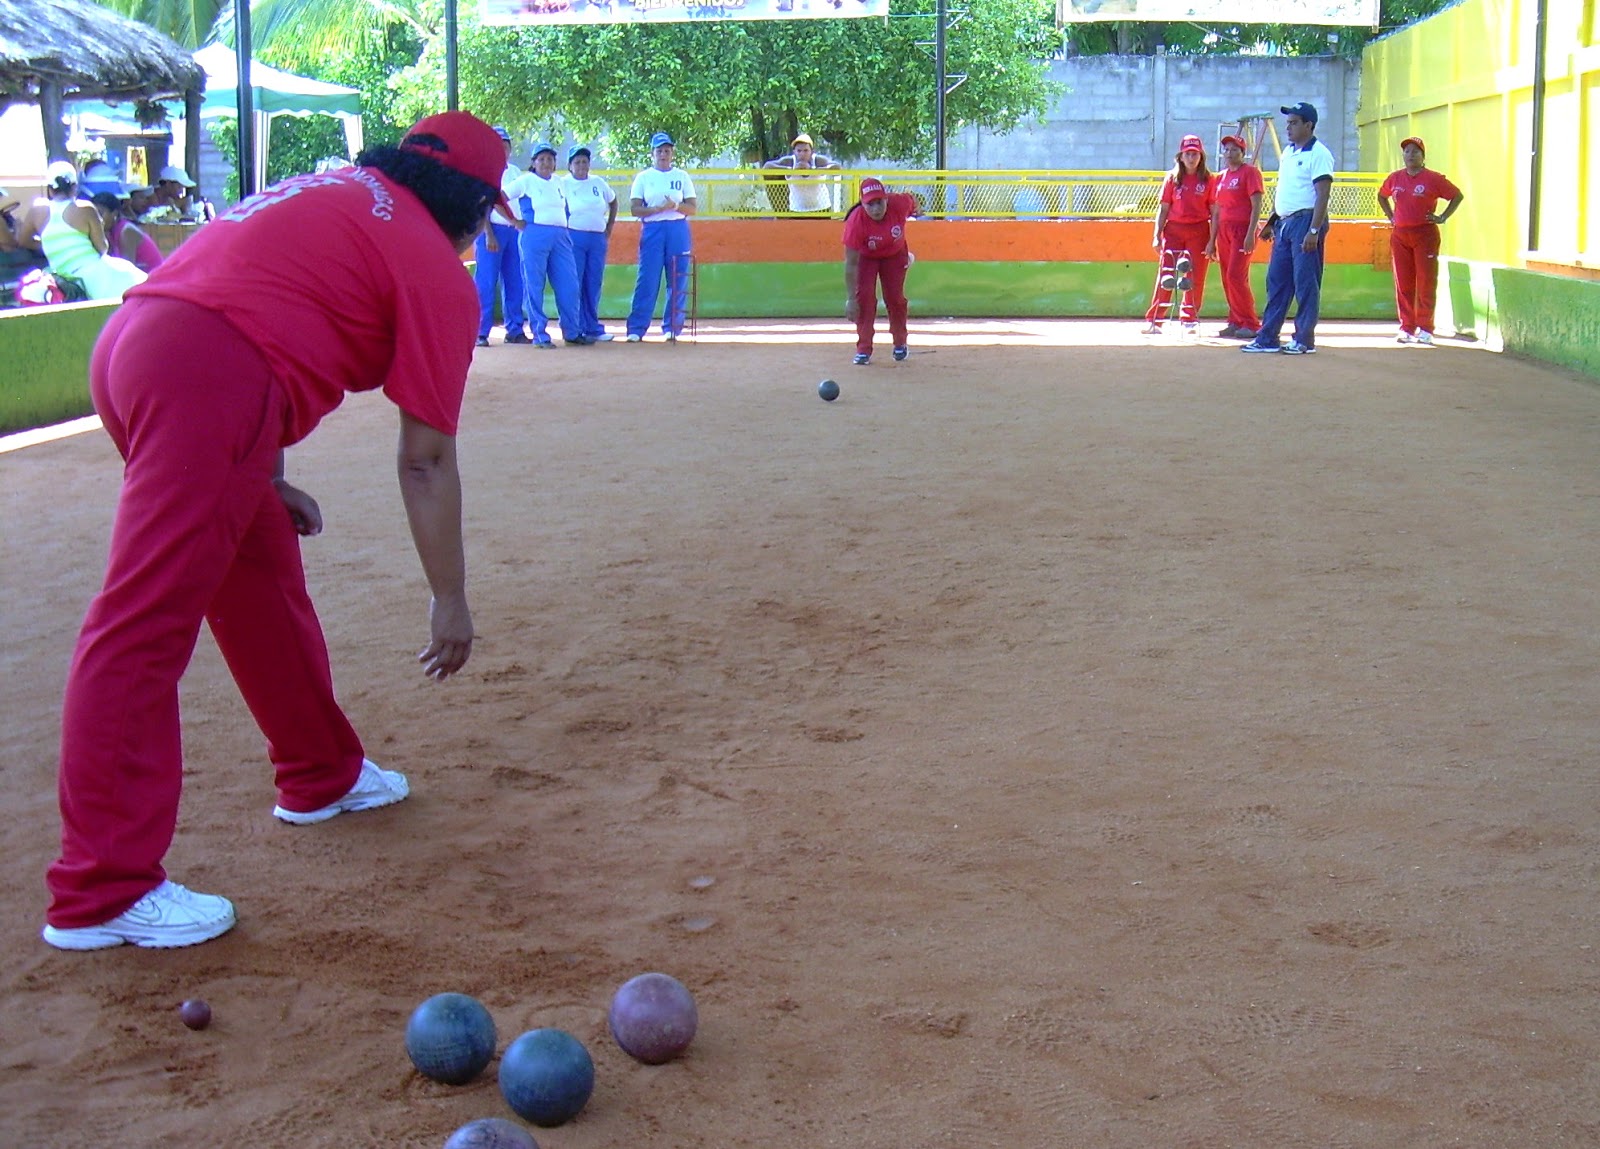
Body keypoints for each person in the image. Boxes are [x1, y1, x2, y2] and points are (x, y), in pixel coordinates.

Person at [40, 111, 502, 951]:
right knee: (142, 622)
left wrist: (268, 472)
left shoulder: (332, 188)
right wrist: (450, 598)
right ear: (473, 210)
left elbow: (254, 292)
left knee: (257, 574)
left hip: (142, 346)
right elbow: (425, 459)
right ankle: (101, 887)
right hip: (204, 378)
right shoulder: (437, 271)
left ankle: (322, 770)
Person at [1242, 102, 1335, 356]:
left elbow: (1322, 195)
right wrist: (1272, 222)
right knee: (1277, 282)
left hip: (1306, 223)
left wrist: (1314, 231)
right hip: (1284, 224)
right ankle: (1268, 337)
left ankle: (1304, 339)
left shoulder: (1319, 154)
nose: (1289, 128)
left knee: (1305, 283)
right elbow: (1288, 192)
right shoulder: (1288, 153)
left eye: (1294, 123)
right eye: (1288, 123)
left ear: (1309, 125)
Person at [17, 161, 147, 301]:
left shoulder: (36, 211)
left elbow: (23, 241)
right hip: (96, 277)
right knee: (140, 287)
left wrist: (53, 244)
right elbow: (102, 248)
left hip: (63, 278)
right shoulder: (85, 208)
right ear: (75, 187)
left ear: (49, 189)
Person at [1378, 137, 1464, 345]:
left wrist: (1442, 217)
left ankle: (1425, 328)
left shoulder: (1433, 179)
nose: (1411, 155)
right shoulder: (1395, 178)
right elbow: (1382, 195)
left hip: (1425, 234)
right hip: (1400, 236)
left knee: (1425, 281)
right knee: (1404, 283)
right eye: (1407, 151)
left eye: (1416, 151)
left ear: (1423, 156)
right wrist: (1391, 216)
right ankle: (1406, 327)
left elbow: (1456, 195)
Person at [506, 142, 586, 346]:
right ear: (533, 162)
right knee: (534, 284)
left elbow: (564, 207)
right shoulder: (526, 181)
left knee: (569, 284)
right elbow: (499, 198)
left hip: (560, 235)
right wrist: (514, 221)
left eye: (550, 159)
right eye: (541, 159)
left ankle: (572, 331)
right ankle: (539, 333)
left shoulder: (559, 182)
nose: (546, 163)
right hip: (534, 234)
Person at [1141, 134, 1218, 335]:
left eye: (1195, 154)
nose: (1191, 158)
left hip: (1199, 230)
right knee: (1166, 273)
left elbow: (1215, 212)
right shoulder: (1172, 178)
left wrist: (1212, 240)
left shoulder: (1209, 180)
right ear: (1180, 156)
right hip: (1174, 230)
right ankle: (1155, 319)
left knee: (1195, 276)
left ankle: (1189, 319)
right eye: (1188, 154)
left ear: (1201, 156)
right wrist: (1157, 234)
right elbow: (1163, 209)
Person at [626, 132, 696, 343]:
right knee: (647, 278)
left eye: (667, 150)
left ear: (672, 153)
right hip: (653, 230)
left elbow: (692, 208)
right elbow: (635, 209)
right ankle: (637, 328)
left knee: (678, 277)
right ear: (652, 153)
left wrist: (674, 206)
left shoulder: (681, 176)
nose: (663, 154)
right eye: (659, 151)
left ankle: (672, 327)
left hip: (677, 229)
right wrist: (656, 209)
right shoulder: (644, 177)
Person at [842, 176, 916, 366]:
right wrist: (850, 299)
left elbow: (914, 202)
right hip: (866, 258)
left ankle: (900, 343)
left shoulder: (899, 203)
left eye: (879, 202)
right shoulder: (855, 221)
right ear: (863, 204)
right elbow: (851, 264)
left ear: (886, 199)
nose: (876, 209)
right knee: (864, 300)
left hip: (895, 254)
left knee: (895, 298)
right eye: (870, 204)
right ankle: (863, 349)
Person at [473, 125, 529, 347]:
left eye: (505, 145)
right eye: (498, 145)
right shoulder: (483, 170)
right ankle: (480, 331)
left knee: (515, 280)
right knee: (486, 282)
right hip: (492, 231)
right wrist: (488, 233)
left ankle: (514, 329)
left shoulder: (515, 172)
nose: (502, 150)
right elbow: (483, 205)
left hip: (513, 233)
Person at [563, 145, 618, 342]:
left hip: (597, 238)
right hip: (574, 237)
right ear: (570, 166)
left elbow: (613, 201)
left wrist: (609, 226)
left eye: (585, 161)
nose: (581, 165)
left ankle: (593, 327)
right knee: (575, 281)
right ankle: (575, 327)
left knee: (593, 282)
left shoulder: (598, 183)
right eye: (577, 162)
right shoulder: (564, 184)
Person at [1212, 134, 1263, 339]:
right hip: (1224, 231)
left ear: (1242, 153)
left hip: (1242, 230)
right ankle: (1235, 320)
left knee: (1236, 275)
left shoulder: (1250, 173)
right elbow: (1216, 210)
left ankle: (1250, 323)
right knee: (1227, 277)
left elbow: (1257, 204)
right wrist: (1211, 240)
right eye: (1227, 149)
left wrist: (1251, 233)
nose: (1230, 153)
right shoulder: (1221, 177)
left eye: (1235, 150)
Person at [762, 133, 840, 216]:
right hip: (797, 210)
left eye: (806, 150)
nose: (802, 154)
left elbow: (837, 167)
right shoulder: (789, 161)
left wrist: (814, 170)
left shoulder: (818, 160)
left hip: (821, 209)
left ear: (812, 151)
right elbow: (767, 167)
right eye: (799, 151)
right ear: (794, 152)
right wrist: (791, 170)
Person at [90, 191, 164, 274]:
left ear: (114, 214)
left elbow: (127, 270)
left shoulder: (126, 231)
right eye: (94, 214)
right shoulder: (109, 231)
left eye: (100, 214)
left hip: (153, 279)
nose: (97, 219)